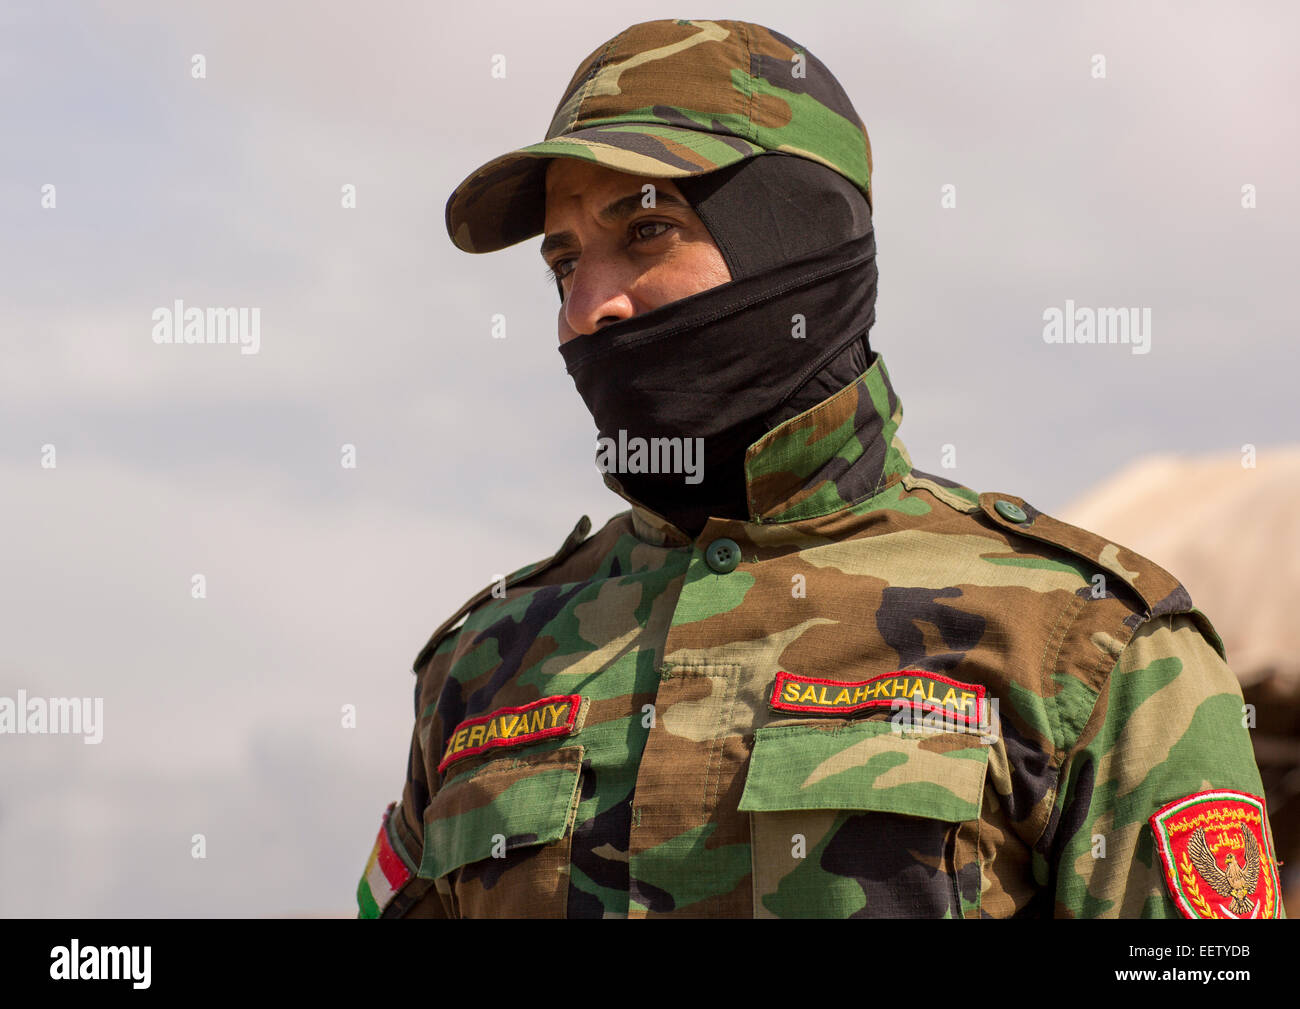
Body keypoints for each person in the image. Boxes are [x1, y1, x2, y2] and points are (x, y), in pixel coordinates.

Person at [356, 18, 1283, 919]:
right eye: (564, 264)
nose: (588, 309)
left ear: (795, 242)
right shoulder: (485, 666)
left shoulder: (1087, 648)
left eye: (645, 234)